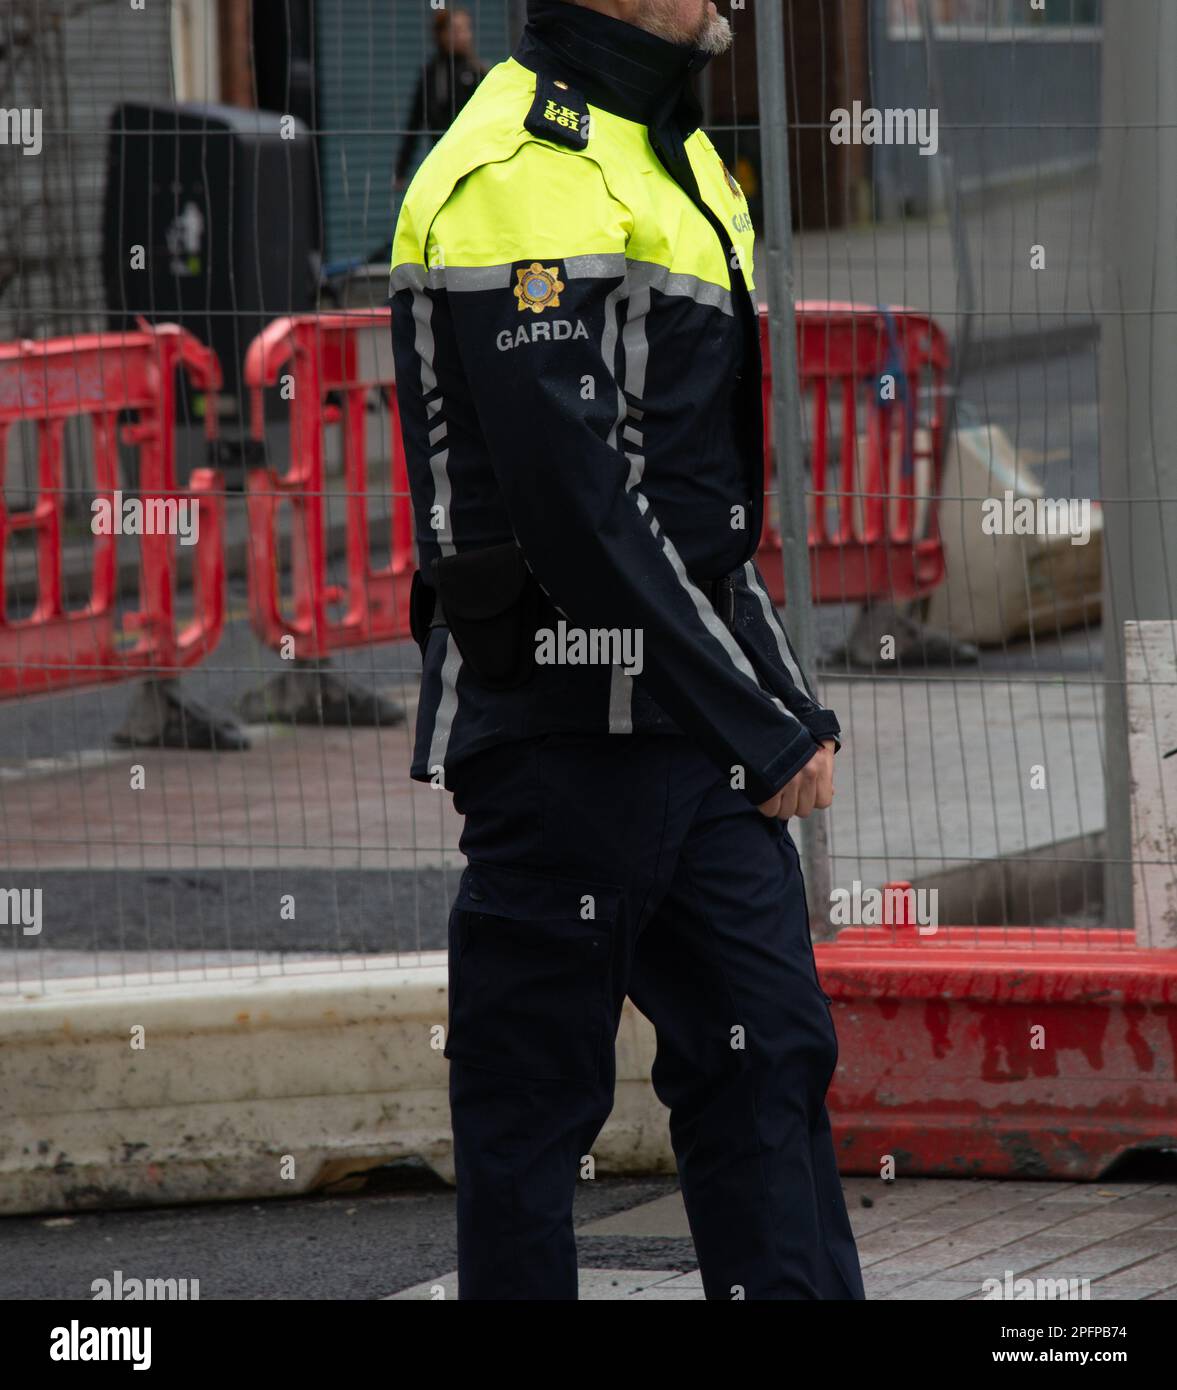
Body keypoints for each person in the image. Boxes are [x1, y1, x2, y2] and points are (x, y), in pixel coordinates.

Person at [389, 0, 865, 1302]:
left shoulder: (677, 151)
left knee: (770, 1052)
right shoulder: (509, 168)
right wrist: (757, 724)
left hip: (689, 741)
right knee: (533, 1111)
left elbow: (702, 514)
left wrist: (778, 700)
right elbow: (580, 512)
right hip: (549, 738)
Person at [393, 8, 487, 192]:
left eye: (467, 29)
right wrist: (401, 170)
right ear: (442, 34)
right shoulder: (431, 74)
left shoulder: (479, 72)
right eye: (457, 30)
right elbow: (414, 123)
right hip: (443, 162)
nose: (465, 35)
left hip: (476, 161)